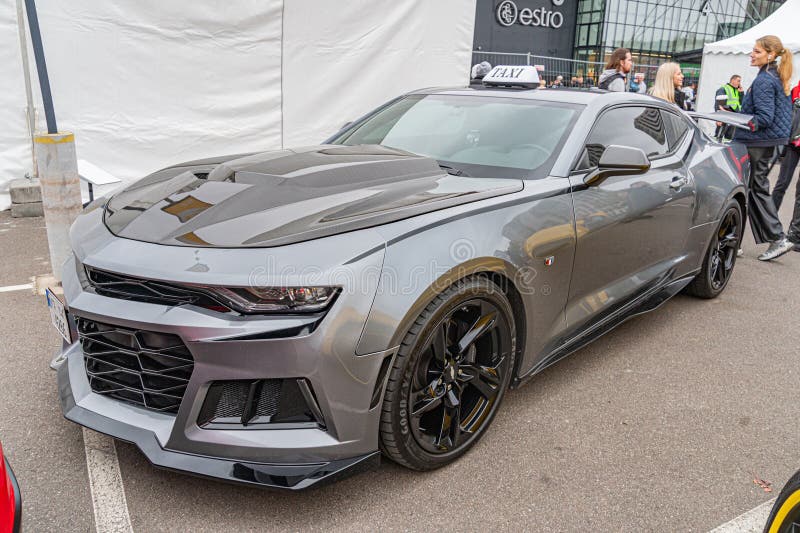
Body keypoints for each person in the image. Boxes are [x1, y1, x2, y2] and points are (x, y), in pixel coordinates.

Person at [733, 35, 795, 261]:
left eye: (757, 51)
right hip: (766, 142)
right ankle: (737, 242)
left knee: (753, 189)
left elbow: (764, 118)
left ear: (770, 55)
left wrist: (738, 120)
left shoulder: (764, 80)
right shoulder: (772, 76)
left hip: (758, 142)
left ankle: (777, 238)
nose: (752, 54)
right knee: (752, 190)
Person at [773, 78, 800, 251]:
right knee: (781, 184)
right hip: (792, 144)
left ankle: (795, 235)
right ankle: (768, 225)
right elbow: (786, 115)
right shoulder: (795, 91)